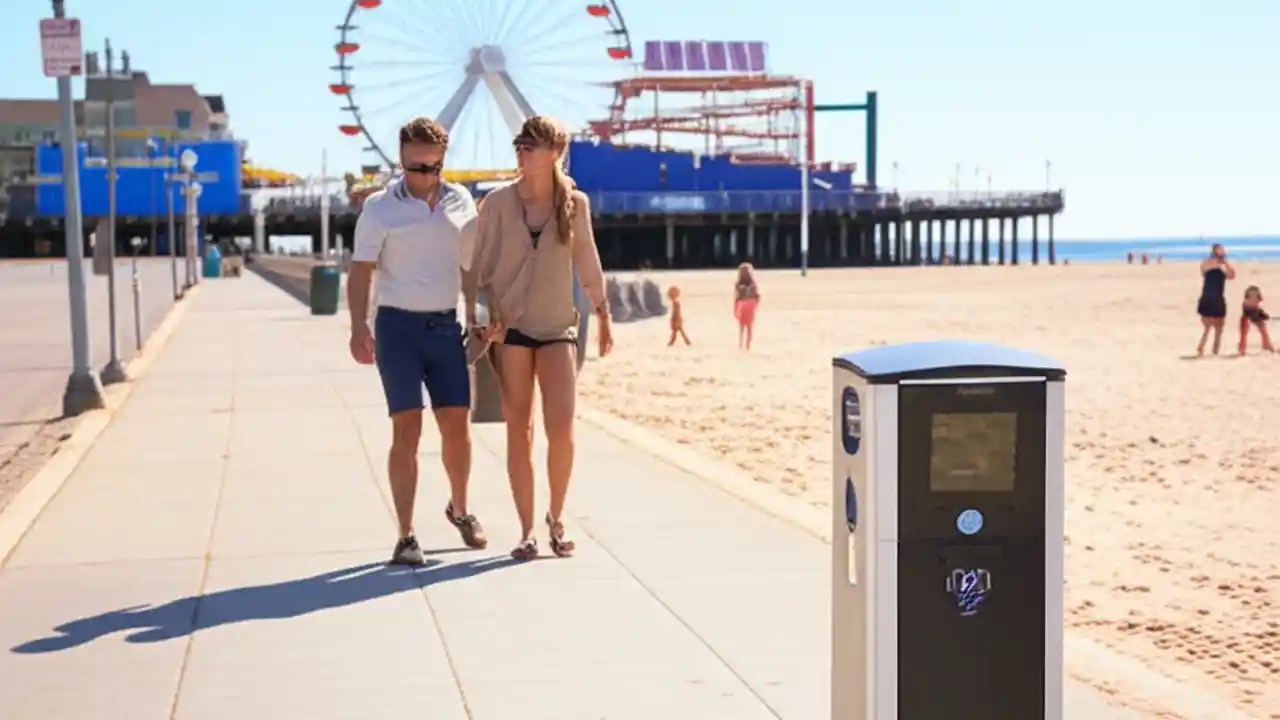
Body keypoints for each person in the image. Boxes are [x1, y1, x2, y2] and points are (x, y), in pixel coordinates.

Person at [467, 115, 613, 560]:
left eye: (531, 144)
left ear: (555, 152)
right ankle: (527, 530)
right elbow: (478, 268)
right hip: (511, 328)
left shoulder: (575, 203)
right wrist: (479, 315)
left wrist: (603, 313)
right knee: (520, 429)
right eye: (519, 143)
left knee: (562, 428)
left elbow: (587, 259)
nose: (522, 150)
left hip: (557, 328)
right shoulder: (495, 204)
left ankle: (557, 516)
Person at [347, 116, 488, 566]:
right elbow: (361, 269)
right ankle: (406, 535)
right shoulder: (380, 208)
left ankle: (460, 509)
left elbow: (472, 266)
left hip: (446, 327)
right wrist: (357, 327)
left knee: (457, 426)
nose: (423, 176)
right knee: (406, 428)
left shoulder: (461, 201)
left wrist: (477, 316)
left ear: (442, 162)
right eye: (414, 167)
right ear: (401, 160)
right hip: (397, 328)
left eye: (431, 167)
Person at [1195, 243, 1235, 357]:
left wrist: (1225, 263)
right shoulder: (1208, 263)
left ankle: (1215, 349)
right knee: (1208, 326)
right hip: (1209, 296)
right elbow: (1204, 270)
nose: (1222, 252)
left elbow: (1231, 276)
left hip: (1218, 296)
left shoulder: (1222, 265)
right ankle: (1202, 347)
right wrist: (1220, 263)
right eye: (1220, 250)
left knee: (1220, 325)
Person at [1238, 285, 1274, 355]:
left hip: (1255, 317)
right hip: (1247, 317)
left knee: (1263, 329)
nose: (1253, 297)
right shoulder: (1246, 303)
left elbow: (1258, 311)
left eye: (1255, 295)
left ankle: (1267, 345)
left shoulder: (1257, 303)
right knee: (1244, 331)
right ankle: (1242, 348)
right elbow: (1248, 311)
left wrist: (1262, 315)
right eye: (1251, 295)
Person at [734, 262, 760, 351]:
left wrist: (735, 308)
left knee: (742, 326)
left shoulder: (738, 284)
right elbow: (757, 296)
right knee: (749, 327)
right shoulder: (753, 284)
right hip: (750, 306)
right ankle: (748, 344)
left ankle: (740, 343)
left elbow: (736, 298)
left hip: (742, 306)